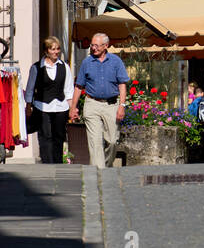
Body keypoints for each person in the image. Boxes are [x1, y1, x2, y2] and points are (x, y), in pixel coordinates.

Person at [70, 33, 129, 168]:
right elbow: (79, 86)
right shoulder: (87, 62)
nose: (93, 48)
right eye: (92, 45)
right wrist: (73, 107)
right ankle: (100, 173)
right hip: (92, 104)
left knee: (112, 141)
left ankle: (106, 167)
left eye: (97, 46)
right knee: (95, 142)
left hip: (111, 105)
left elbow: (122, 85)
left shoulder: (116, 61)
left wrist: (122, 105)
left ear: (106, 46)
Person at [24, 36, 73, 164]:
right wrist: (28, 106)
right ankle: (47, 163)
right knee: (45, 136)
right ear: (46, 51)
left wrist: (71, 108)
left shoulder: (64, 67)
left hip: (61, 106)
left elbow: (68, 89)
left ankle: (57, 163)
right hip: (42, 106)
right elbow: (30, 88)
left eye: (58, 49)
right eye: (53, 49)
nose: (56, 52)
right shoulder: (36, 67)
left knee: (59, 136)